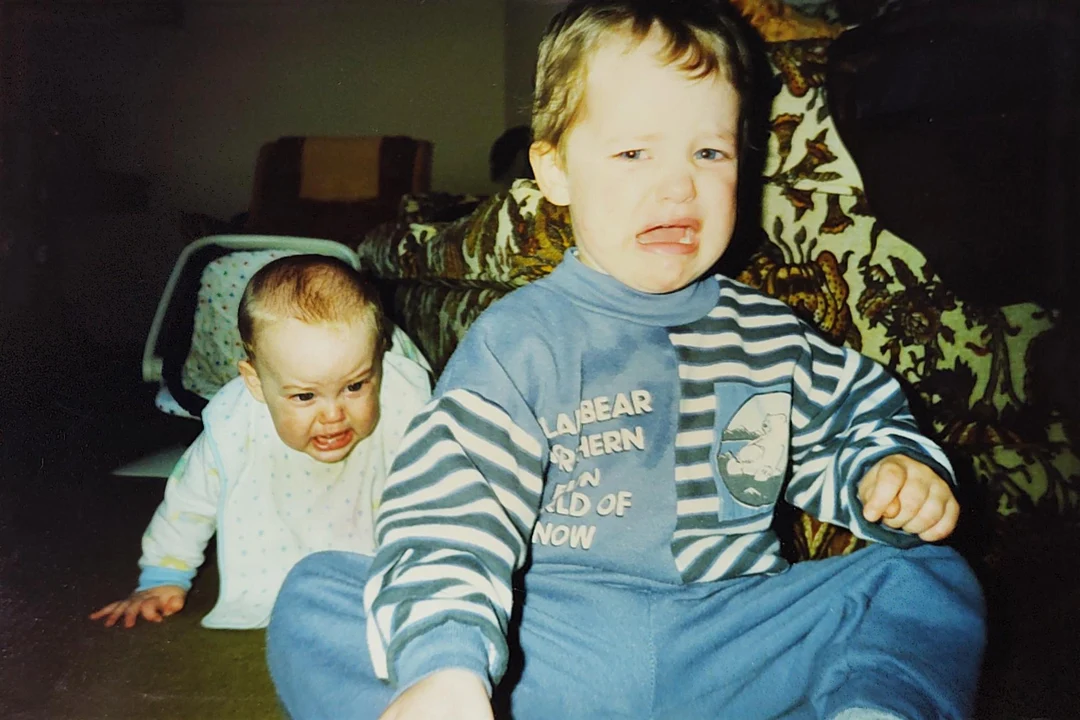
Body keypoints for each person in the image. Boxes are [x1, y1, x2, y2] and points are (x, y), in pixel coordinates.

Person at [266, 2, 986, 718]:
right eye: (634, 152)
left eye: (710, 152)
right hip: (553, 642)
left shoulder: (777, 335)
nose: (679, 185)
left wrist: (891, 474)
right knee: (314, 599)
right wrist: (445, 666)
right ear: (555, 173)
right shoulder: (520, 338)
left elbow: (856, 425)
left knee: (924, 582)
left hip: (730, 637)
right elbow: (456, 504)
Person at [89, 255, 432, 630]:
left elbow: (441, 487)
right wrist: (163, 577)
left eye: (354, 386)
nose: (333, 414)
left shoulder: (401, 403)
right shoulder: (237, 427)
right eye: (304, 396)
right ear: (255, 383)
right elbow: (188, 503)